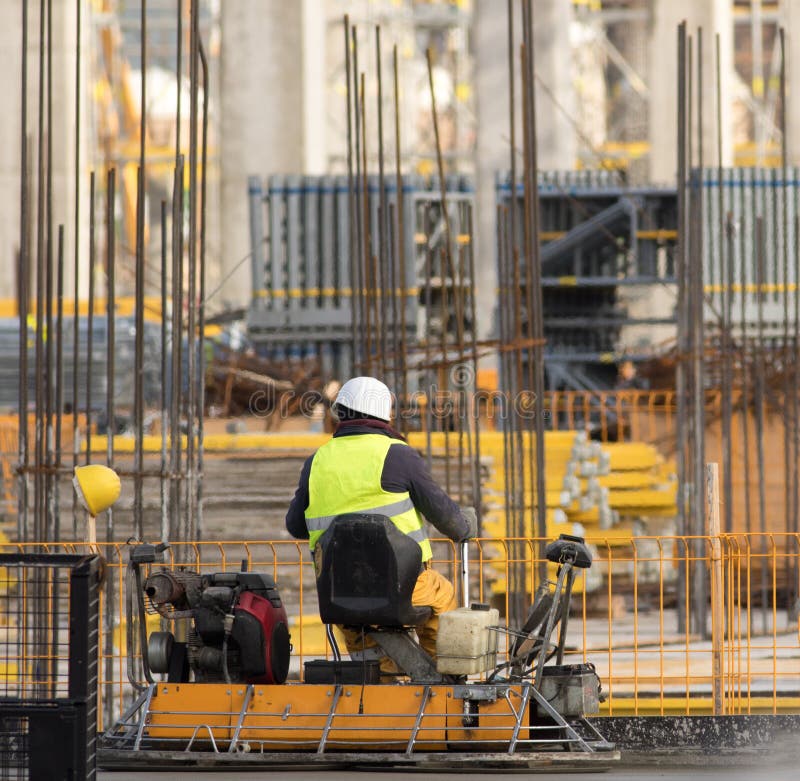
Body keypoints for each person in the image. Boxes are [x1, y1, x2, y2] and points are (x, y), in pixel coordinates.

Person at [285, 375, 477, 670]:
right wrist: (464, 526)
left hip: (339, 592)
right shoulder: (398, 455)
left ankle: (379, 684)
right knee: (443, 597)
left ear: (340, 413)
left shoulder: (317, 461)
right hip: (405, 586)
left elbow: (296, 526)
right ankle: (445, 678)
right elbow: (446, 517)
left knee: (371, 658)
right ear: (385, 415)